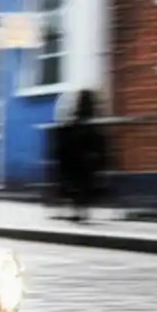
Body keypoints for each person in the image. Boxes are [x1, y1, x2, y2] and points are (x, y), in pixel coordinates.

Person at [55, 89, 108, 223]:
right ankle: (81, 210)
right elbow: (97, 139)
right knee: (83, 183)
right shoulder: (91, 121)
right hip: (85, 157)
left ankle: (78, 210)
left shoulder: (72, 121)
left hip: (75, 156)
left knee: (76, 183)